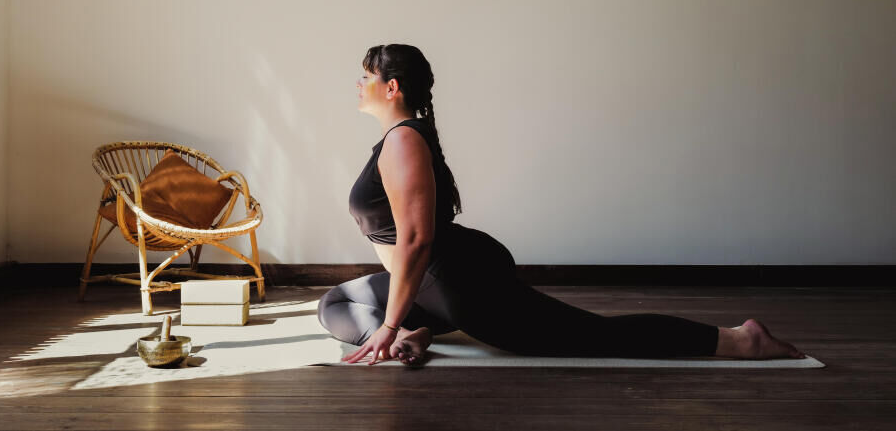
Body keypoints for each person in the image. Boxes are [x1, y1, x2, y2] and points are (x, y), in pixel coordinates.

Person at [317, 44, 808, 366]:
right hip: (428, 287)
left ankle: (743, 340)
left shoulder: (403, 140)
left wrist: (385, 325)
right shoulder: (396, 139)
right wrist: (398, 323)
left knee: (594, 336)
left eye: (365, 76)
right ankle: (418, 331)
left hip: (461, 282)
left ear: (392, 87)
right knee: (334, 303)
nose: (357, 85)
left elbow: (418, 239)